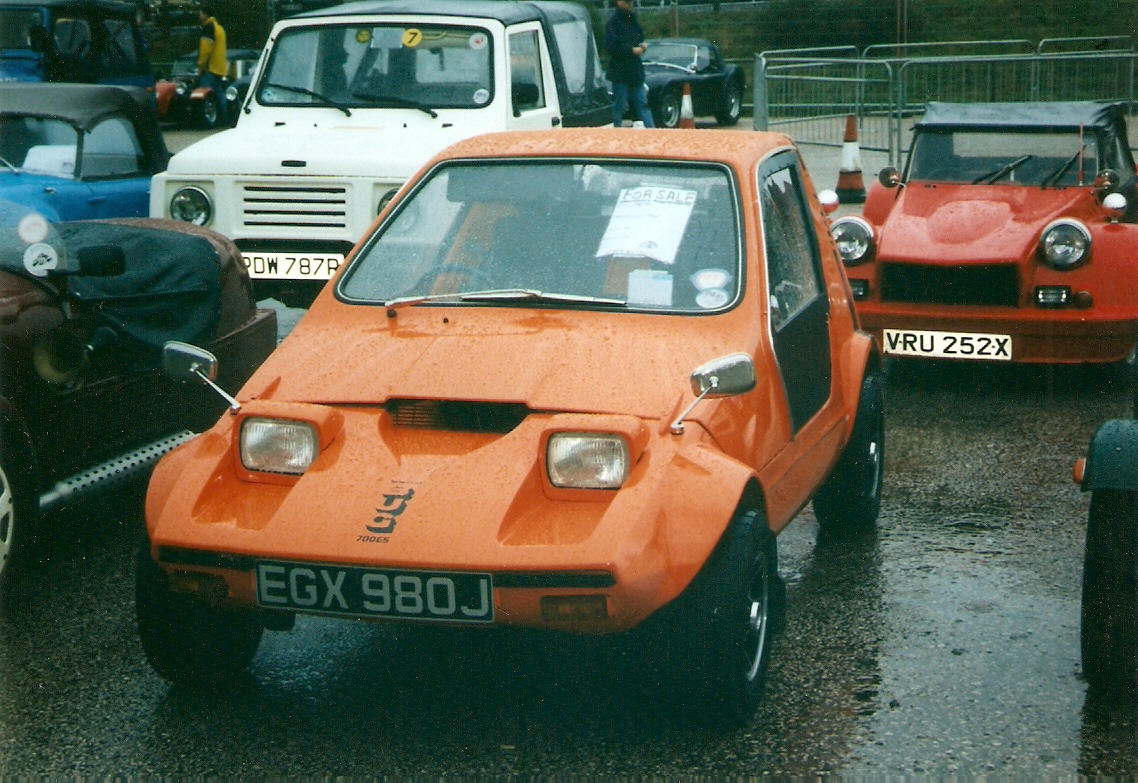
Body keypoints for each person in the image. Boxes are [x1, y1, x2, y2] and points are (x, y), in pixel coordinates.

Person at [605, 0, 654, 128]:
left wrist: (642, 44)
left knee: (642, 103)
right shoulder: (612, 23)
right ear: (618, 2)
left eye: (631, 2)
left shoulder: (633, 20)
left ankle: (652, 131)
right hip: (620, 72)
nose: (630, 4)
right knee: (620, 105)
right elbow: (611, 47)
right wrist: (631, 50)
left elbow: (639, 37)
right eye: (627, 2)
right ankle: (615, 131)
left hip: (635, 71)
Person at [196, 4, 228, 119]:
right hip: (220, 67)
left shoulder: (208, 28)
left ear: (205, 15)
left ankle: (206, 118)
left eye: (201, 14)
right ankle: (225, 116)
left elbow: (205, 50)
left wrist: (200, 66)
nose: (199, 16)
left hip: (210, 67)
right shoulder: (219, 28)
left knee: (205, 93)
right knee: (219, 92)